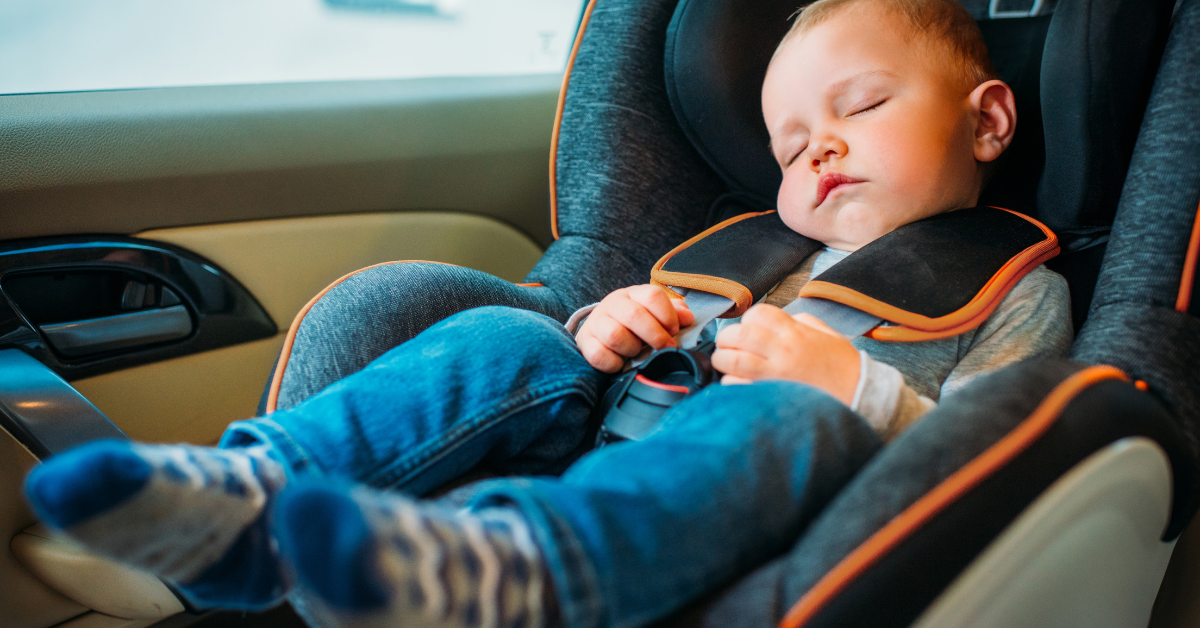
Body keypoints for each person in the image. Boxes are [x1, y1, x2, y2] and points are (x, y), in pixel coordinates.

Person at [23, 1, 1073, 627]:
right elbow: (599, 362)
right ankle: (250, 498)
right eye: (792, 145)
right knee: (511, 336)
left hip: (801, 497)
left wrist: (852, 387)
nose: (820, 151)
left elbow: (1008, 455)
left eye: (863, 107)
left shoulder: (1016, 287)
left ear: (985, 121)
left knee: (779, 417)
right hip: (608, 442)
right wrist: (606, 333)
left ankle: (522, 571)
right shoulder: (751, 254)